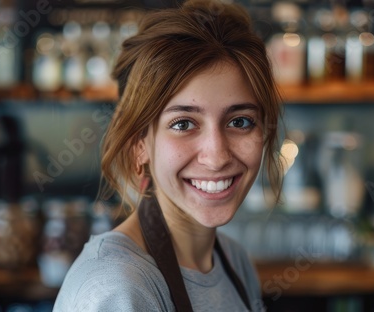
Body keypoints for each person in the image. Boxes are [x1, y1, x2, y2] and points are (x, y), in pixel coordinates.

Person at [53, 0, 283, 310]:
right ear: (139, 143)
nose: (216, 157)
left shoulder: (233, 260)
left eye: (240, 121)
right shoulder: (118, 286)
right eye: (184, 124)